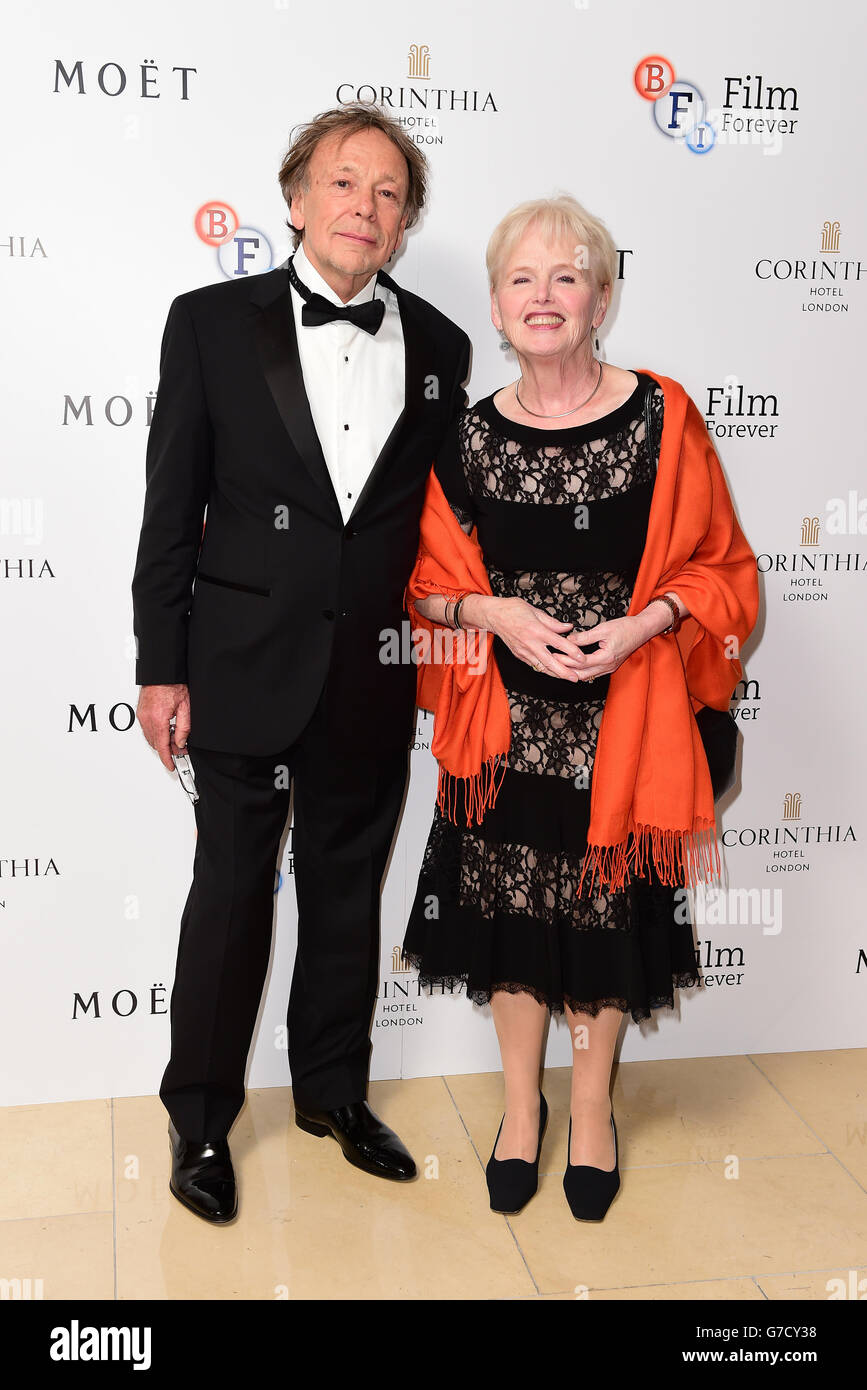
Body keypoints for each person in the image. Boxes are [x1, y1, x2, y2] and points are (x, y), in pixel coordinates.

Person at [131, 104, 470, 1223]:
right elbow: (170, 509)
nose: (364, 206)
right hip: (236, 668)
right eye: (343, 183)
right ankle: (199, 1120)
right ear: (295, 199)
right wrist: (159, 663)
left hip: (372, 673)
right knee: (230, 900)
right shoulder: (209, 324)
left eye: (387, 193)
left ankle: (332, 1095)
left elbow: (435, 525)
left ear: (404, 223)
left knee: (342, 898)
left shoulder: (441, 344)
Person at [402, 195, 758, 1221]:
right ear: (497, 305)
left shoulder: (663, 415)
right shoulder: (465, 440)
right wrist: (494, 611)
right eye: (524, 279)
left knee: (602, 929)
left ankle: (591, 1109)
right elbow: (422, 588)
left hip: (627, 726)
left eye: (568, 277)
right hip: (505, 733)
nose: (545, 297)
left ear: (602, 298)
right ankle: (523, 1110)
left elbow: (723, 571)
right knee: (513, 926)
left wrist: (648, 624)